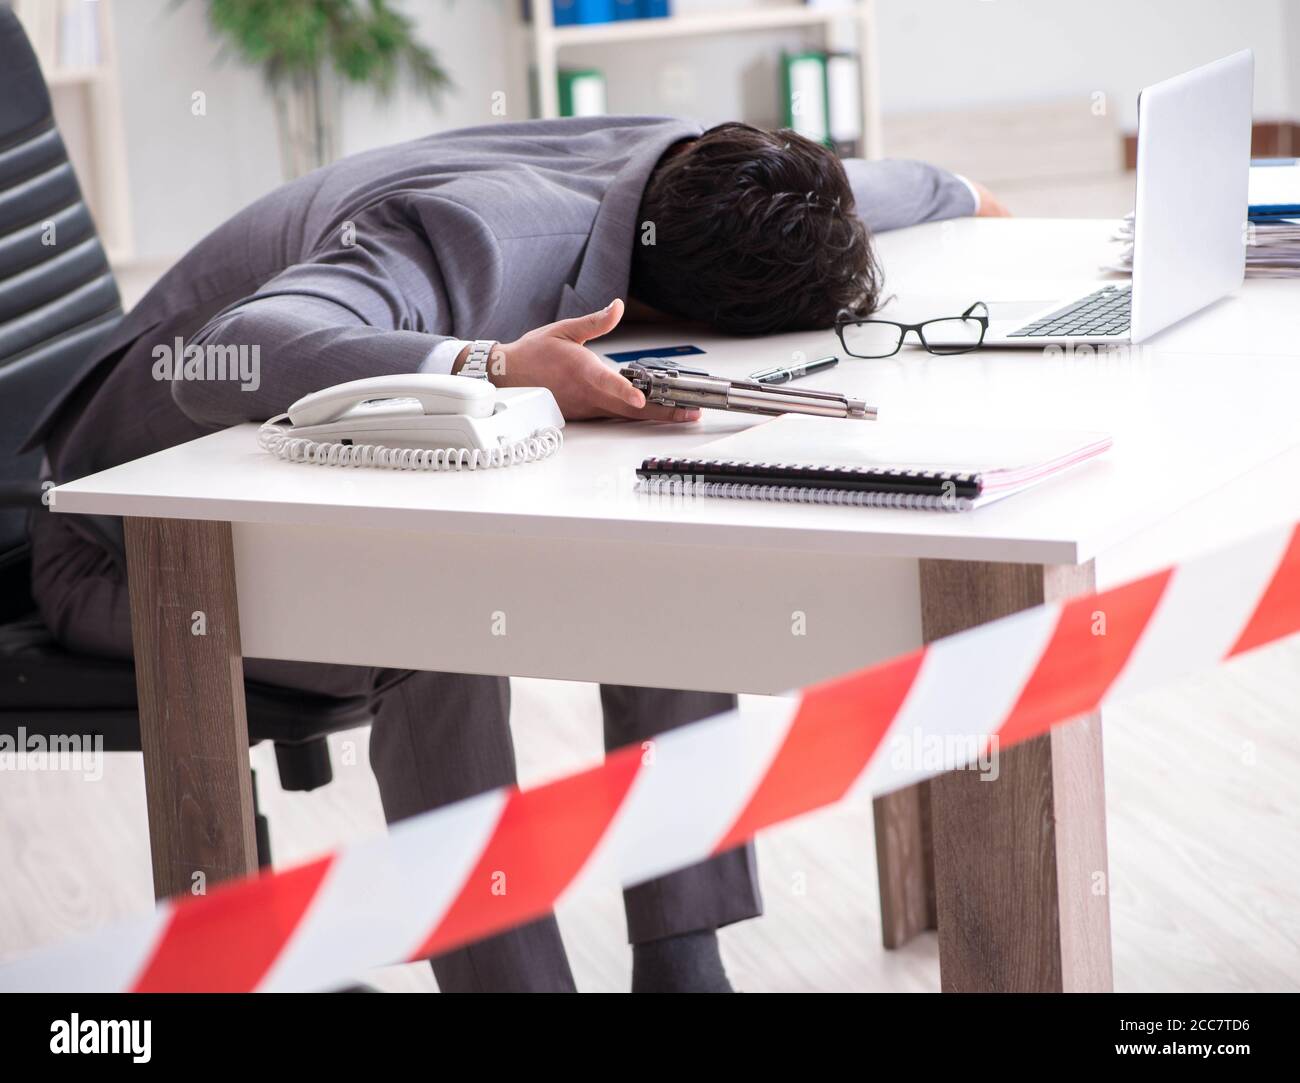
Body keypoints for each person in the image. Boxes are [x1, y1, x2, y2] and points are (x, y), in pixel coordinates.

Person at [25, 115, 1005, 992]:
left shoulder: (717, 179)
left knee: (663, 565)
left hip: (307, 499)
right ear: (669, 310)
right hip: (129, 553)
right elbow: (243, 350)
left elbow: (937, 190)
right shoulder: (467, 237)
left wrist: (983, 213)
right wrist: (490, 365)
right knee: (438, 621)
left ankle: (682, 960)